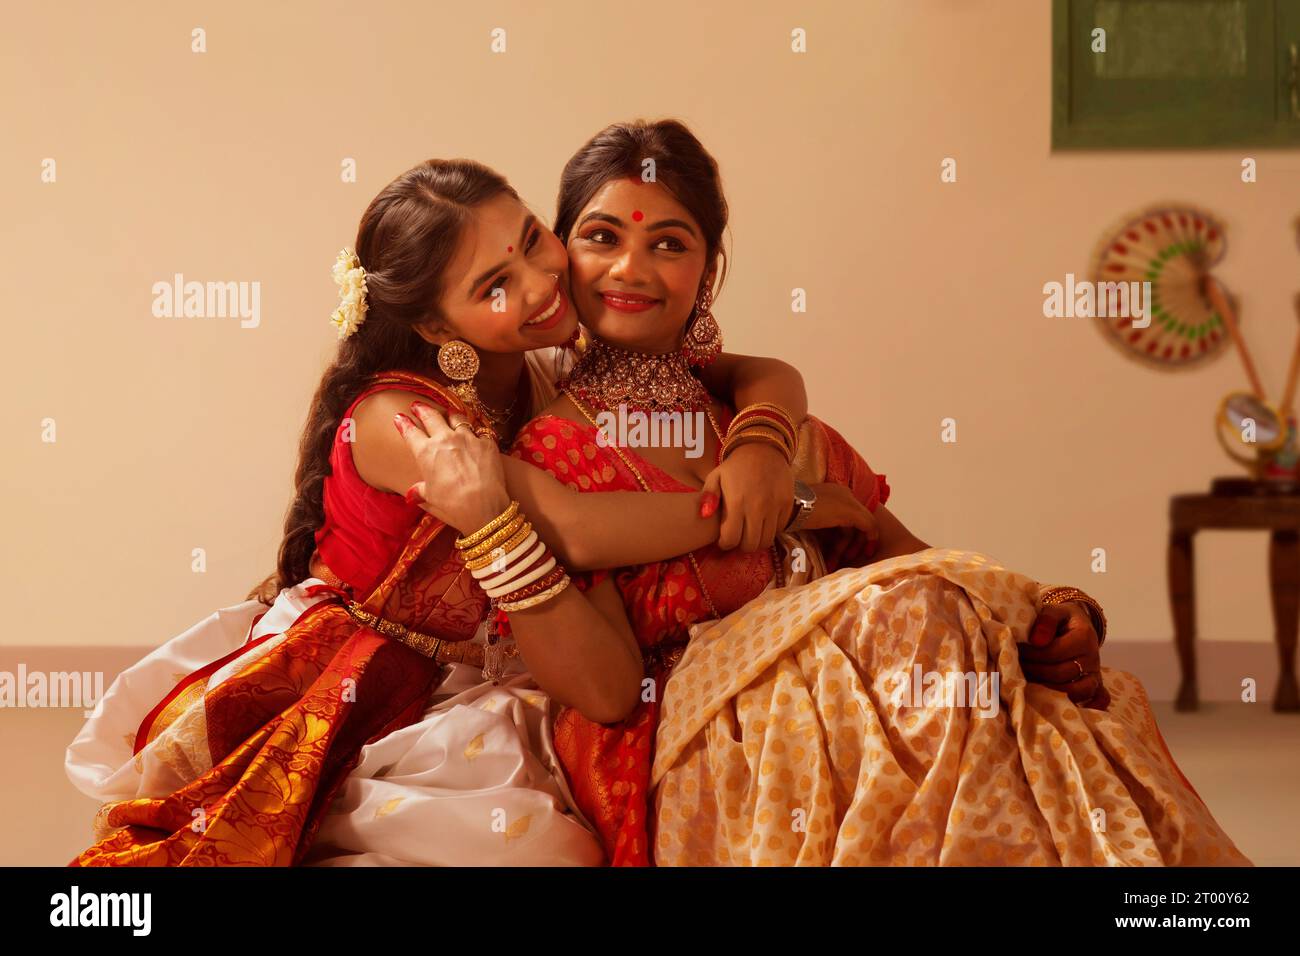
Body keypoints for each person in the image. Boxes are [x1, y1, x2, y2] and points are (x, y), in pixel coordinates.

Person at [403, 119, 1250, 866]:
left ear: (709, 268)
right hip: (698, 743)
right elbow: (608, 688)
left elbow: (920, 567)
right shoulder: (549, 456)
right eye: (600, 237)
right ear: (562, 250)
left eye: (669, 242)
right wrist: (802, 534)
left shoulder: (772, 427)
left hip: (872, 715)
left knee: (1018, 682)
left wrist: (1050, 612)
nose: (632, 268)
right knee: (906, 631)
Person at [65, 157, 849, 866]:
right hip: (373, 680)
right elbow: (576, 526)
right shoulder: (408, 424)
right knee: (535, 845)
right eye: (494, 286)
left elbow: (751, 369)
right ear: (439, 328)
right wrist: (786, 507)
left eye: (533, 240)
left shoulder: (544, 370)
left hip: (498, 663)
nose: (541, 282)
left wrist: (763, 445)